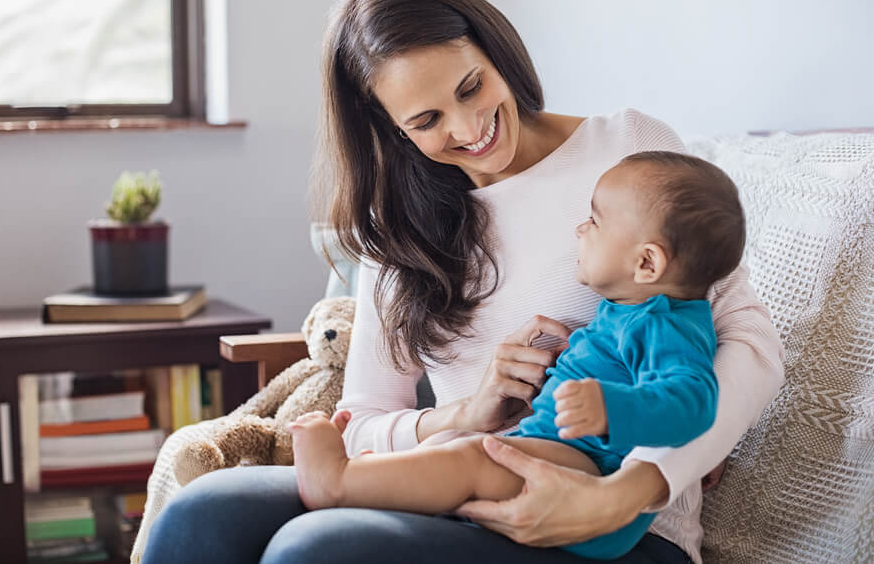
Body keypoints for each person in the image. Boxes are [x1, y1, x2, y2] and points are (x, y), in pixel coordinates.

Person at [140, 0, 784, 564]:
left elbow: (750, 344)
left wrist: (629, 492)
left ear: (493, 48)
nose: (471, 128)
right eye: (427, 119)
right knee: (203, 513)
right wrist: (467, 413)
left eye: (471, 86)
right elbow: (361, 426)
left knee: (316, 549)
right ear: (392, 129)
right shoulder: (401, 225)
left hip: (617, 525)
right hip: (456, 485)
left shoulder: (627, 155)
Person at [289, 150, 745, 560]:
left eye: (595, 222)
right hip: (566, 456)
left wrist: (610, 408)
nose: (580, 229)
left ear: (647, 263)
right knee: (458, 448)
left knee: (473, 457)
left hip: (591, 479)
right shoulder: (632, 311)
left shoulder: (664, 324)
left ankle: (339, 483)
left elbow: (694, 401)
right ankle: (367, 477)